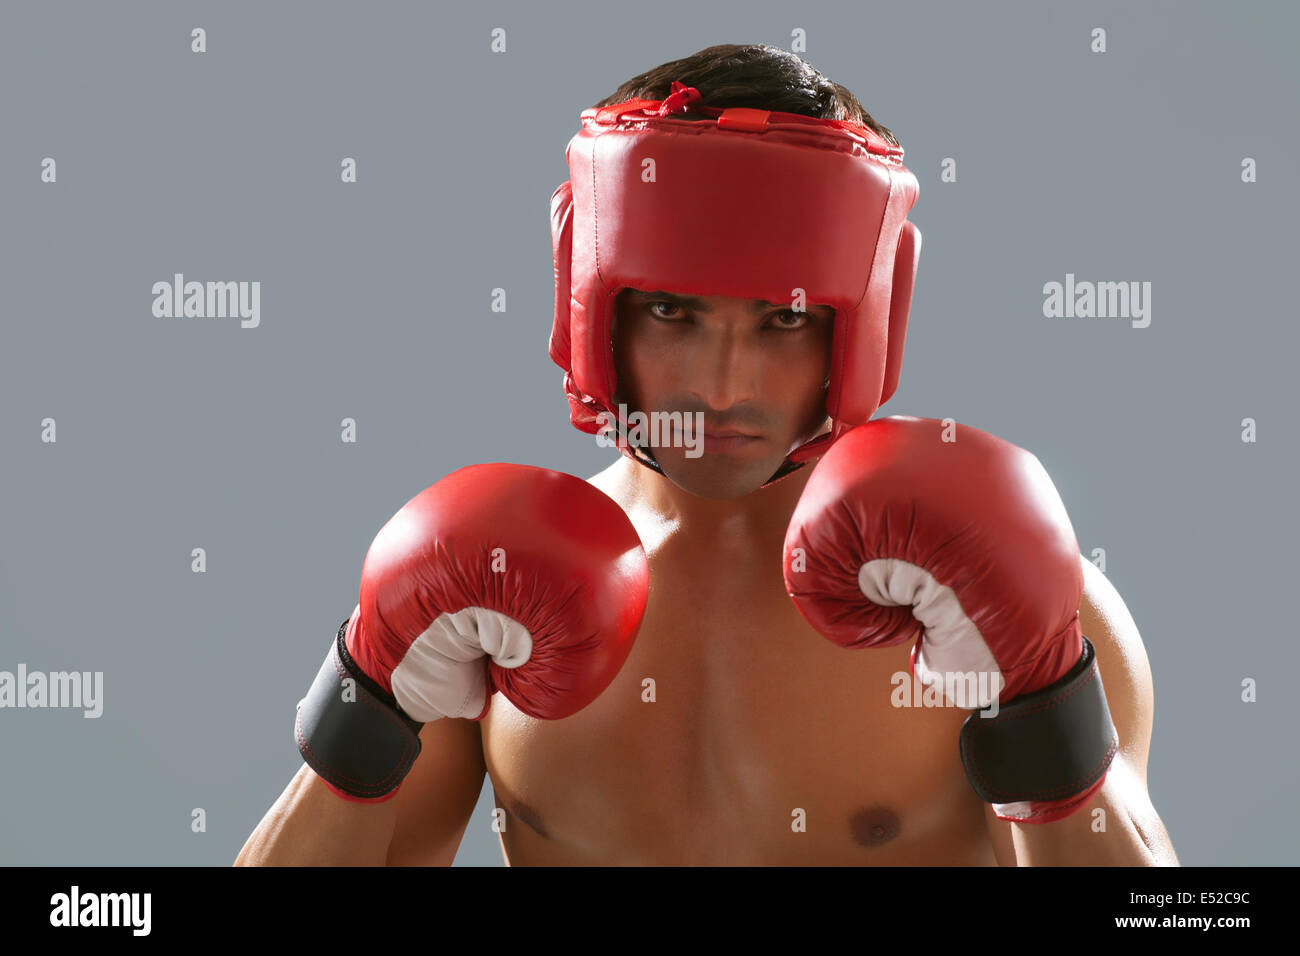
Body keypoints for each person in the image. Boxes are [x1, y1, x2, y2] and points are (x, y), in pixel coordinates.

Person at [236, 43, 1178, 866]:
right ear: (593, 310)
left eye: (785, 321)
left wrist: (1045, 702)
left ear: (860, 330)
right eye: (672, 313)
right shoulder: (477, 594)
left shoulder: (1010, 599)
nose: (723, 388)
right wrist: (368, 703)